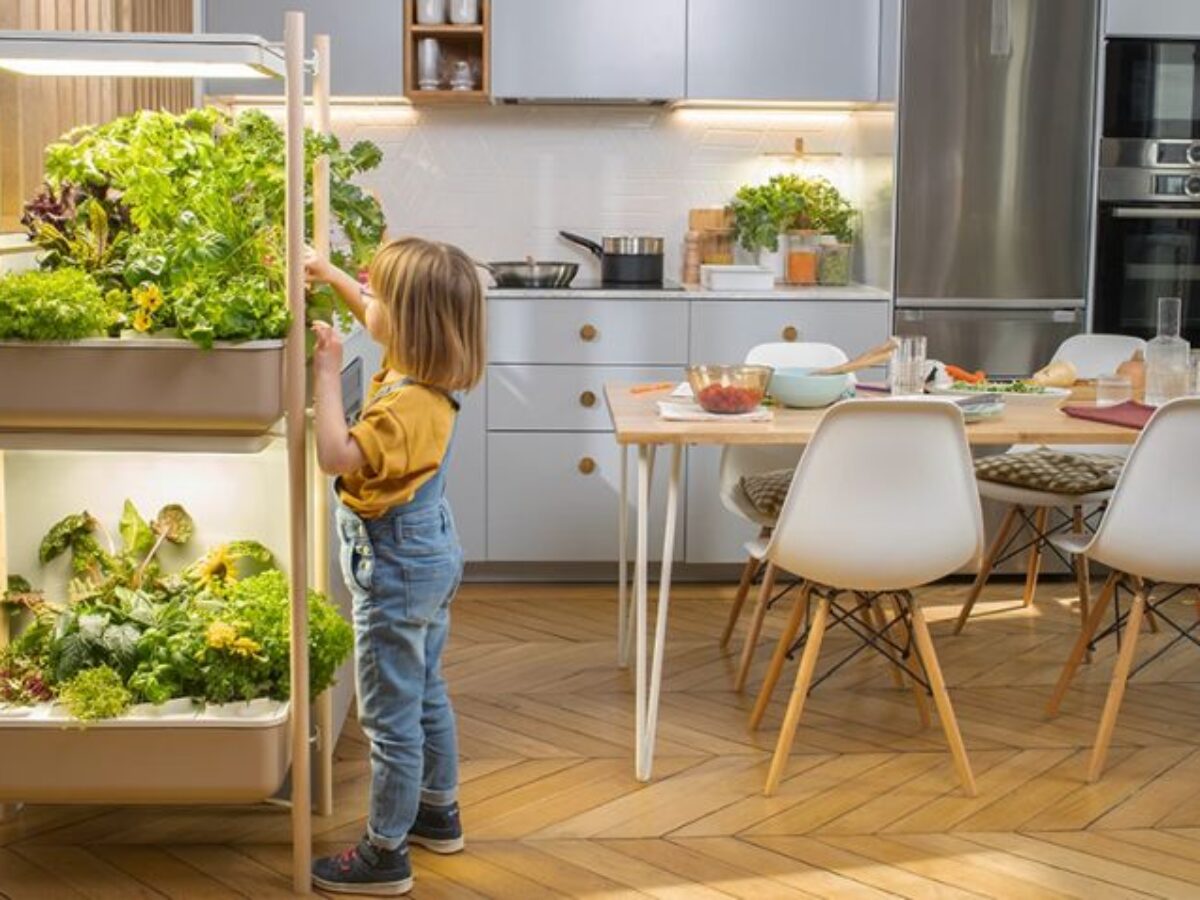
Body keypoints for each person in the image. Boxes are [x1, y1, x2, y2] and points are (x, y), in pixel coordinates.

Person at [306, 238, 485, 895]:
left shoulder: (402, 407)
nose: (365, 303)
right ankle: (438, 812)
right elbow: (382, 314)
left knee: (389, 720)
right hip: (429, 554)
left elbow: (335, 454)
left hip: (395, 569)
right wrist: (328, 273)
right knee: (426, 688)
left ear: (405, 323)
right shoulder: (422, 373)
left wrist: (325, 376)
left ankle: (385, 853)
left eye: (375, 296)